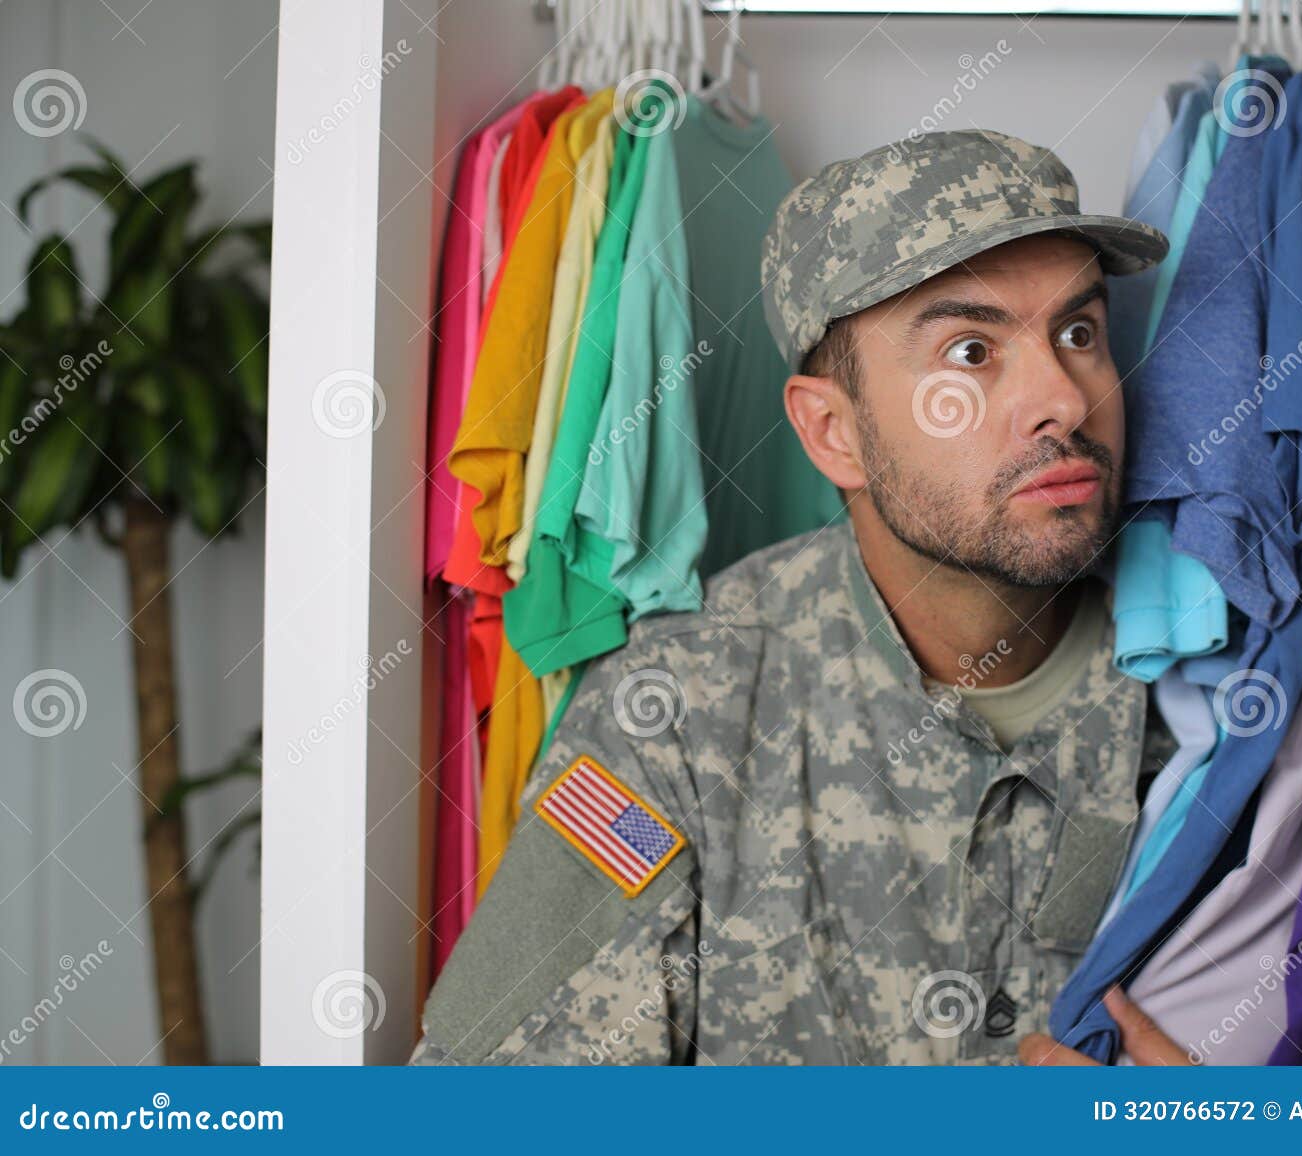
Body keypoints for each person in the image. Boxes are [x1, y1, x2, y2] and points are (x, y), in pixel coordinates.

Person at [412, 128, 1191, 1065]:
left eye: (1078, 332)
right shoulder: (675, 718)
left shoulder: (1221, 693)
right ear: (833, 433)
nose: (1061, 398)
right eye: (972, 352)